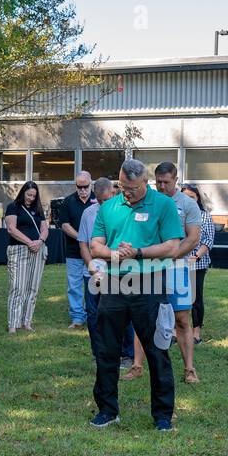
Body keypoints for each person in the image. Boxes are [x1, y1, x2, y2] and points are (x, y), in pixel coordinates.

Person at [88, 158, 183, 430]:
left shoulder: (163, 205)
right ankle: (107, 410)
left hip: (150, 282)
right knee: (107, 349)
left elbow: (172, 246)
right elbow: (95, 245)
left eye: (133, 188)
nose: (127, 192)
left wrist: (139, 252)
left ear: (146, 182)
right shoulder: (109, 207)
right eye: (122, 187)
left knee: (157, 350)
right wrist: (114, 253)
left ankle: (163, 415)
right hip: (114, 284)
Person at [154, 162, 203, 383]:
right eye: (158, 182)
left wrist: (171, 255)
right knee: (143, 316)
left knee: (182, 319)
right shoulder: (148, 202)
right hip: (149, 269)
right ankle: (138, 365)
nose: (162, 186)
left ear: (176, 180)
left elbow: (193, 238)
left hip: (177, 268)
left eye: (166, 182)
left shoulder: (187, 203)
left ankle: (189, 368)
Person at [78, 176, 135, 365]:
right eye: (100, 200)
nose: (103, 204)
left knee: (123, 313)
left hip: (118, 270)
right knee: (94, 315)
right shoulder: (89, 214)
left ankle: (127, 354)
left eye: (107, 199)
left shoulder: (126, 211)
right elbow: (84, 244)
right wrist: (92, 267)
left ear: (114, 193)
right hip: (94, 271)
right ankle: (100, 354)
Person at [4, 180, 48, 333]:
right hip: (19, 250)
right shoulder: (13, 207)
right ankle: (12, 324)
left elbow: (44, 229)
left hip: (38, 250)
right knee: (17, 287)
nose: (31, 198)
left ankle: (26, 321)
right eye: (29, 194)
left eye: (34, 196)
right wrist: (30, 242)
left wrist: (40, 241)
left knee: (32, 288)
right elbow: (11, 229)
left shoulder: (38, 209)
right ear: (23, 193)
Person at [181, 183, 215, 343]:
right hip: (177, 262)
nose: (188, 200)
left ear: (198, 199)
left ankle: (196, 332)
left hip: (197, 264)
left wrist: (197, 257)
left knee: (195, 298)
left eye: (192, 197)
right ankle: (175, 330)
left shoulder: (204, 216)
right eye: (185, 196)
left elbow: (208, 239)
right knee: (178, 296)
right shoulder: (176, 214)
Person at [60, 171, 94, 328]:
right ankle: (77, 318)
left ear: (90, 184)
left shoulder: (98, 200)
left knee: (93, 284)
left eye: (85, 187)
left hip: (93, 251)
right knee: (74, 286)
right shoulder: (68, 202)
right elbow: (65, 225)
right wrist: (82, 238)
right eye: (79, 187)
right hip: (74, 251)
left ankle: (92, 314)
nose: (82, 190)